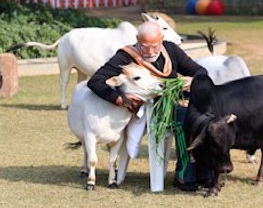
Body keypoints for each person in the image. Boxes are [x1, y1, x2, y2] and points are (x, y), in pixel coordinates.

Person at [87, 20, 212, 192]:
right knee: (185, 119)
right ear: (137, 39)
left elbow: (200, 71)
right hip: (150, 110)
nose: (151, 51)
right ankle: (184, 175)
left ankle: (205, 172)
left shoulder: (171, 50)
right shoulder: (126, 56)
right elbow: (96, 81)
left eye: (155, 46)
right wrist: (121, 100)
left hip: (176, 102)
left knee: (205, 118)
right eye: (145, 46)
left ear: (162, 39)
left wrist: (192, 81)